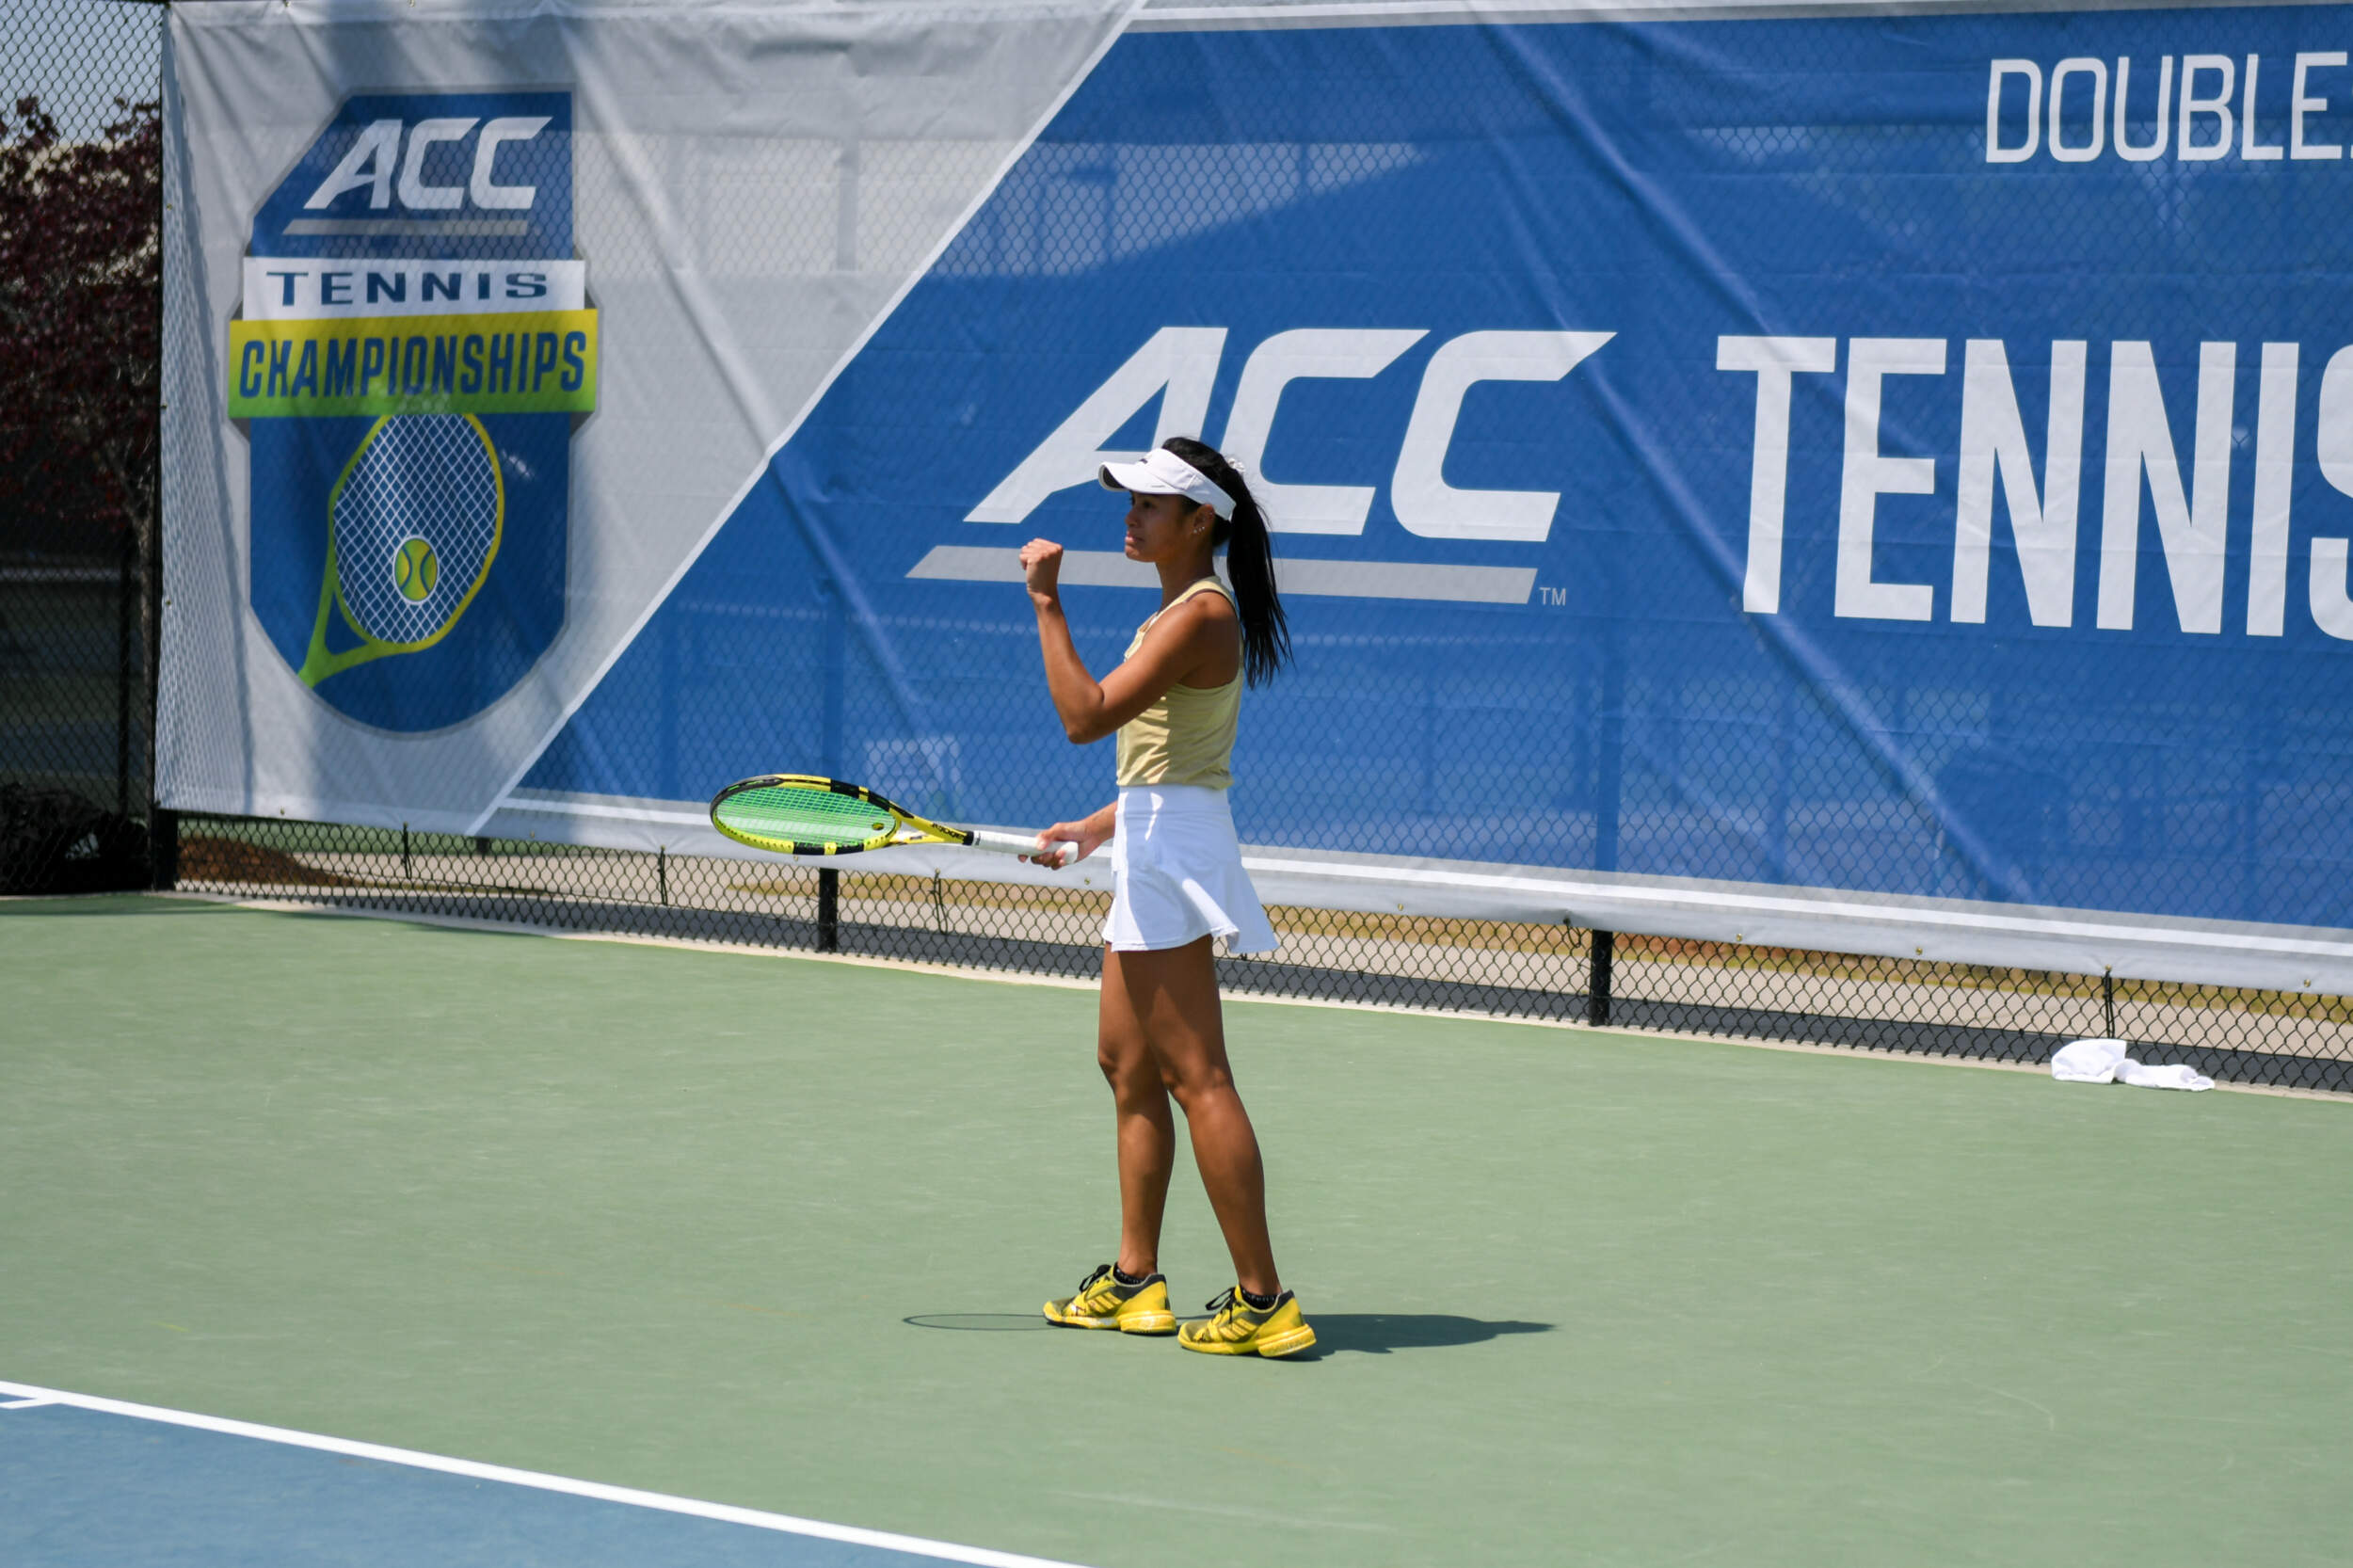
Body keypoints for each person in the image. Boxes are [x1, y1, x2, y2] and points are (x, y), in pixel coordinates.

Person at [1017, 436, 1314, 1359]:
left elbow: (1083, 716)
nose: (1130, 514)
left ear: (1199, 521)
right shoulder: (1176, 614)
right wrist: (1097, 828)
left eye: (1149, 503)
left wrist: (1045, 601)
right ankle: (1136, 1280)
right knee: (1127, 1065)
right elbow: (1164, 762)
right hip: (1149, 841)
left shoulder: (1197, 616)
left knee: (1198, 1076)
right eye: (1130, 501)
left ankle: (1265, 1302)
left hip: (1172, 855)